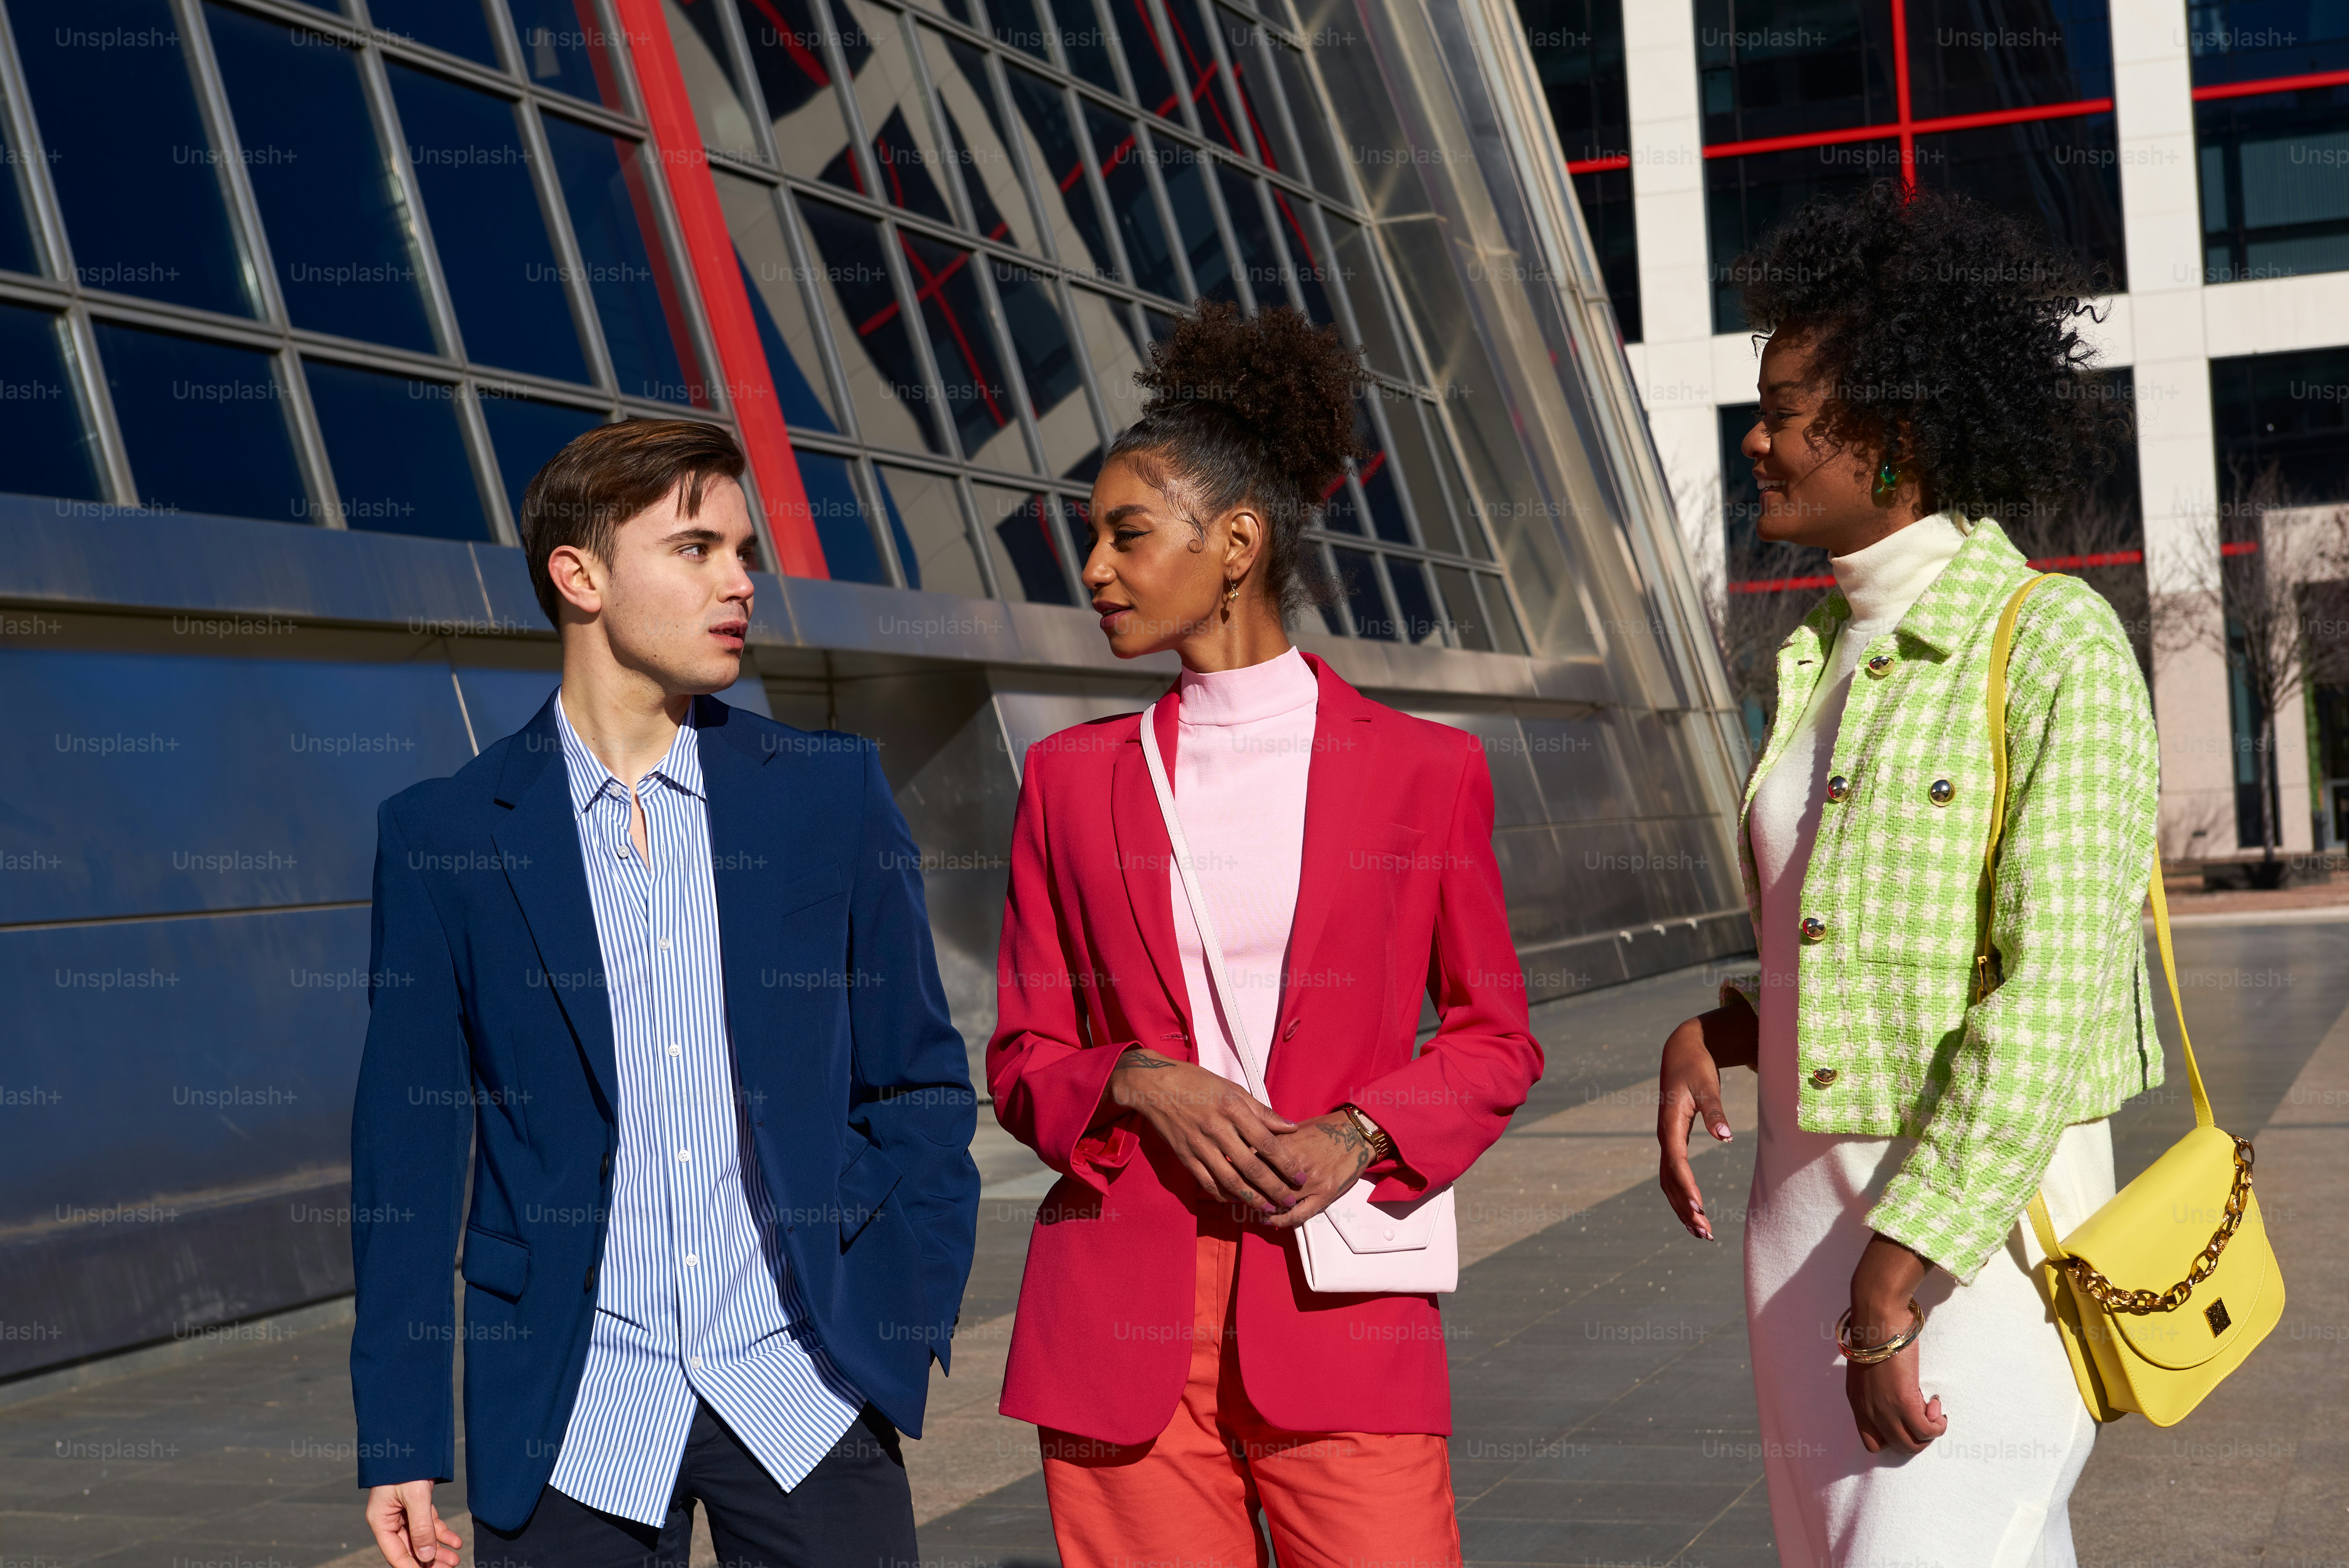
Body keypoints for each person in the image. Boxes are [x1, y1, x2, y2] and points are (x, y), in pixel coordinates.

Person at [349, 419, 978, 1568]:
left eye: (743, 552)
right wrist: (399, 1432)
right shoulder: (443, 836)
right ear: (579, 577)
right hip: (568, 1409)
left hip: (805, 1390)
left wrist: (903, 1307)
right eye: (696, 550)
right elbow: (408, 1153)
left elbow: (916, 1078)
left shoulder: (827, 797)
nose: (739, 583)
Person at [987, 301, 1542, 1566]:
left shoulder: (1423, 772)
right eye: (1092, 540)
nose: (1095, 571)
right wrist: (1135, 1080)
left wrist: (1362, 1132)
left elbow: (1494, 1039)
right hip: (1118, 1311)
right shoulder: (1070, 780)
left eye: (1128, 535)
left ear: (1235, 542)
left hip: (1340, 1291)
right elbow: (1020, 1053)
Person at [1654, 181, 2159, 1565]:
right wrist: (1732, 1026)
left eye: (1784, 408)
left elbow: (2046, 996)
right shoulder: (1816, 661)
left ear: (1891, 429)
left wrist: (1903, 1270)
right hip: (1800, 1228)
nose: (1753, 440)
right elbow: (1870, 941)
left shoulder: (2053, 646)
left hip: (1967, 1244)